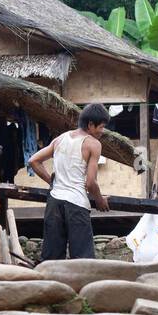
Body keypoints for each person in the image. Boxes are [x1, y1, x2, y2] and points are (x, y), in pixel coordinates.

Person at [29, 103, 111, 260]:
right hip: (76, 204)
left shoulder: (60, 139)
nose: (102, 131)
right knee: (83, 261)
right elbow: (91, 183)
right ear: (90, 125)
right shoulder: (93, 144)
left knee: (51, 260)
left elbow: (33, 161)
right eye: (101, 127)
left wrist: (51, 182)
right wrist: (100, 200)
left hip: (54, 202)